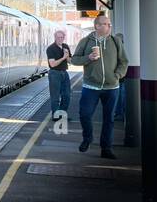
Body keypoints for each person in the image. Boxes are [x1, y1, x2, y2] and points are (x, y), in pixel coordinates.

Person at [70, 14, 128, 159]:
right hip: (91, 86)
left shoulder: (116, 41)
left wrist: (117, 76)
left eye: (109, 24)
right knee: (84, 114)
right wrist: (88, 58)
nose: (109, 26)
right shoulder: (85, 41)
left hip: (112, 87)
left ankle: (106, 148)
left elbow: (124, 61)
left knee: (109, 119)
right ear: (97, 26)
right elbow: (74, 60)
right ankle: (87, 138)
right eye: (106, 24)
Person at [45, 29, 72, 115]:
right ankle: (56, 115)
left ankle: (62, 114)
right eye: (58, 37)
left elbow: (69, 61)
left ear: (64, 38)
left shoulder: (66, 46)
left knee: (67, 95)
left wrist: (67, 57)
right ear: (55, 38)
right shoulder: (50, 48)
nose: (60, 39)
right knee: (55, 96)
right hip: (54, 74)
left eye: (62, 37)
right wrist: (64, 57)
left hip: (64, 73)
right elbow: (52, 64)